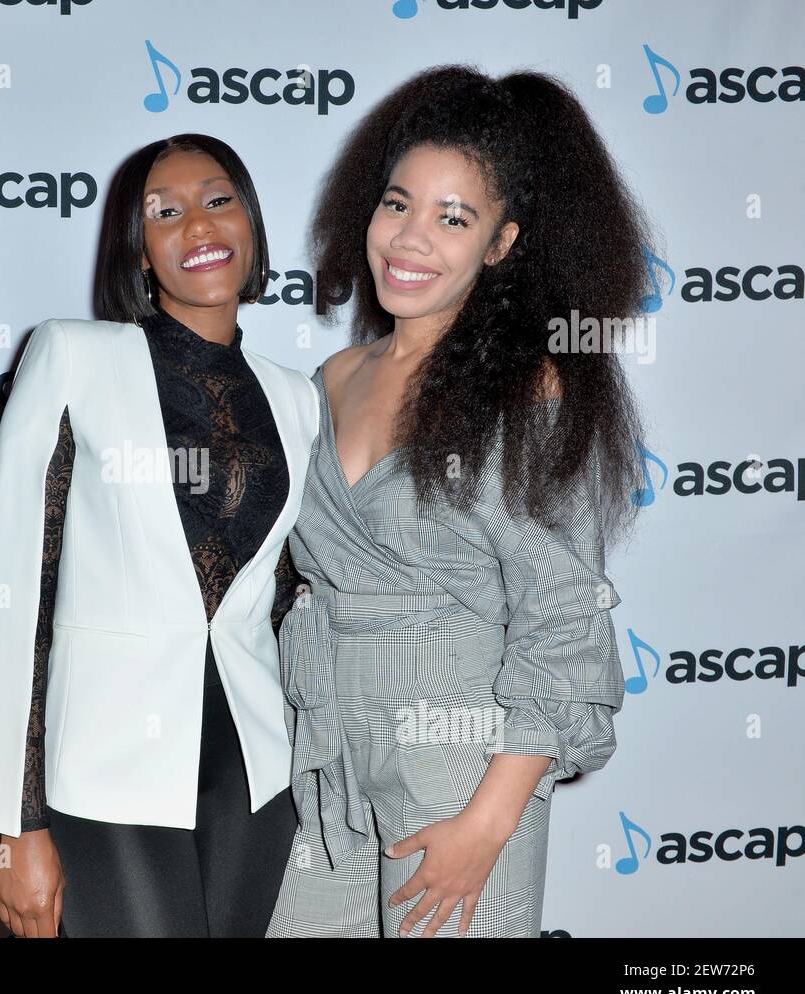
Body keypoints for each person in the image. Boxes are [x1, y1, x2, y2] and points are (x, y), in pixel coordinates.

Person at [266, 65, 651, 938]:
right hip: (329, 761)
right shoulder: (331, 379)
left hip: (461, 768)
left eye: (454, 217)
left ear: (502, 244)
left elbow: (563, 620)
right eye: (399, 204)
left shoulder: (530, 390)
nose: (411, 239)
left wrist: (487, 825)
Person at [0, 134, 319, 937]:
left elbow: (288, 597)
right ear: (140, 251)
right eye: (166, 212)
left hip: (254, 774)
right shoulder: (73, 357)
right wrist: (18, 829)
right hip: (104, 773)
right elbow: (23, 595)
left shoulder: (298, 399)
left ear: (252, 223)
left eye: (219, 200)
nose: (199, 225)